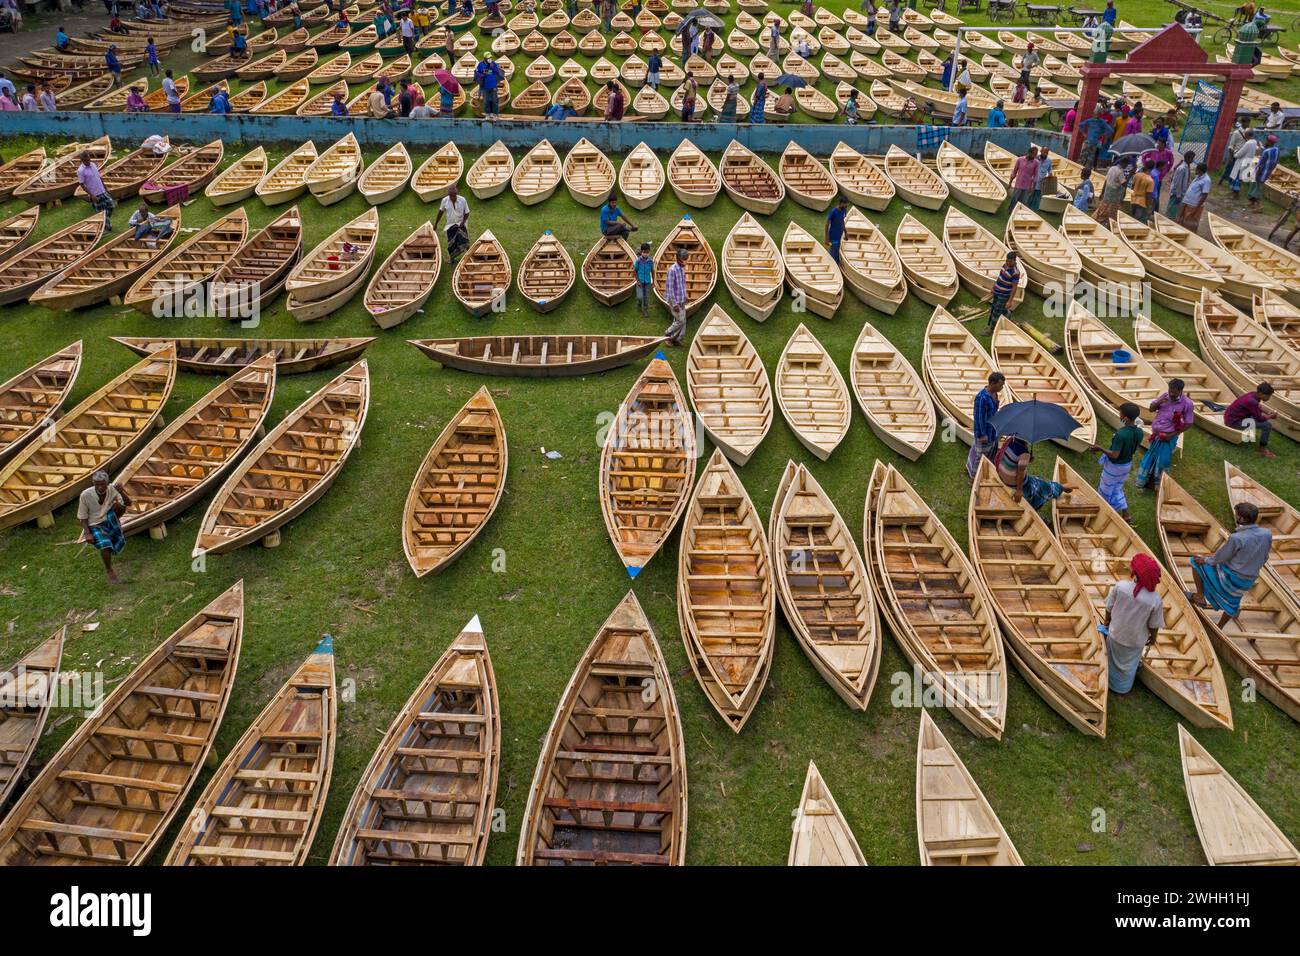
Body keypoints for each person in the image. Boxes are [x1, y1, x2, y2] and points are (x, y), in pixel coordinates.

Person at [1188, 502, 1274, 628]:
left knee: (1195, 562)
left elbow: (1220, 557)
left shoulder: (1237, 538)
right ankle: (1220, 627)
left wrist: (1205, 560)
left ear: (1242, 519)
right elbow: (1265, 556)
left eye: (1237, 515)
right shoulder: (1267, 533)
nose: (1236, 517)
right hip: (1248, 580)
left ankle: (1200, 596)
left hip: (1232, 576)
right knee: (1233, 603)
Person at [1101, 554, 1165, 695]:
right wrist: (1153, 638)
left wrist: (1107, 621)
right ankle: (1122, 689)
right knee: (1128, 666)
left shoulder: (1121, 586)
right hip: (1135, 641)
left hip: (1116, 633)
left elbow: (1109, 608)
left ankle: (1108, 682)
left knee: (1112, 658)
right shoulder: (1155, 599)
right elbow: (1154, 625)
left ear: (1134, 573)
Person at [1090, 402, 1144, 522]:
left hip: (1115, 467)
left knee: (1106, 489)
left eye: (1120, 414)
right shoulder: (1139, 432)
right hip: (1126, 464)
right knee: (1116, 488)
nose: (1119, 416)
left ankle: (1103, 513)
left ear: (1125, 418)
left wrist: (1099, 448)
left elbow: (1114, 455)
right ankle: (1126, 514)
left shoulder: (1121, 434)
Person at [1135, 379, 1193, 490]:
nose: (1171, 393)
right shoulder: (1165, 396)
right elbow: (1151, 409)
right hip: (1156, 435)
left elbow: (1189, 423)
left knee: (1162, 461)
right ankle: (1145, 481)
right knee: (1151, 458)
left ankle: (1157, 484)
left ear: (1180, 390)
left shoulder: (1187, 404)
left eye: (1174, 392)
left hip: (1168, 438)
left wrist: (1171, 435)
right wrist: (1159, 402)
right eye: (1170, 390)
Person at [78, 471, 131, 584]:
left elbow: (128, 503)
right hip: (94, 523)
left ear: (107, 483)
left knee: (119, 505)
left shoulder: (112, 489)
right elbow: (82, 516)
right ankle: (109, 570)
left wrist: (121, 492)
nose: (100, 487)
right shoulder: (85, 495)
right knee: (105, 545)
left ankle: (114, 525)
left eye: (103, 484)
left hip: (108, 517)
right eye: (97, 484)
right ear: (93, 483)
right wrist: (87, 533)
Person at [994, 433, 1071, 509]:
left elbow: (1013, 460)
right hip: (1015, 484)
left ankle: (1055, 486)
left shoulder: (1009, 441)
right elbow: (1020, 473)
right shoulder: (1024, 453)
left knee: (1037, 480)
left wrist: (1027, 459)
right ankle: (1060, 487)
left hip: (1003, 478)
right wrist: (1019, 491)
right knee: (1045, 487)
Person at [966, 372, 1004, 480]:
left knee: (984, 452)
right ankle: (973, 478)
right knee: (980, 455)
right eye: (1000, 385)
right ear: (992, 383)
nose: (1002, 388)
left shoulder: (994, 394)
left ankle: (973, 470)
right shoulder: (982, 397)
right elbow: (978, 418)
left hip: (992, 431)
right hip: (984, 432)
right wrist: (982, 435)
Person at [1224, 382, 1278, 458]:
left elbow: (1257, 407)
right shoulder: (1252, 401)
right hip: (1233, 422)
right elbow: (1259, 418)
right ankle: (1262, 449)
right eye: (1268, 396)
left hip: (1231, 417)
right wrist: (1270, 416)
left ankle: (1248, 438)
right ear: (1262, 394)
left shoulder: (1253, 394)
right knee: (1267, 425)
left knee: (1254, 418)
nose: (1269, 398)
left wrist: (1267, 412)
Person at [77, 151, 115, 231]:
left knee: (111, 205)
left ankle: (104, 223)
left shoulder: (93, 165)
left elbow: (99, 176)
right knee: (100, 212)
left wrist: (105, 187)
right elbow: (82, 184)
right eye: (86, 160)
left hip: (102, 190)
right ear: (82, 161)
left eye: (89, 159)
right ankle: (107, 228)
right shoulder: (81, 171)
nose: (88, 162)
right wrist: (92, 195)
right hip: (94, 194)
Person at [984, 252, 1020, 334]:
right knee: (994, 308)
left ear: (1014, 260)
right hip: (997, 292)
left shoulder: (1015, 272)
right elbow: (1000, 277)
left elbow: (1014, 288)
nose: (1008, 263)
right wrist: (994, 287)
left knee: (996, 312)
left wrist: (1010, 301)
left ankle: (991, 330)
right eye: (1007, 261)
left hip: (1003, 295)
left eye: (1010, 261)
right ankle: (1008, 315)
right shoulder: (1005, 265)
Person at [434, 183, 470, 262]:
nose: (453, 197)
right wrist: (436, 224)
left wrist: (463, 222)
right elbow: (440, 212)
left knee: (465, 240)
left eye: (454, 195)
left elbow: (467, 213)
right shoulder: (445, 201)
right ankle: (452, 259)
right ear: (448, 195)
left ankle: (469, 255)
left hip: (461, 223)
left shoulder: (462, 200)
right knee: (451, 243)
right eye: (451, 196)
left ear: (456, 194)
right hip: (450, 225)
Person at [663, 247, 689, 346]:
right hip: (675, 301)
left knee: (683, 320)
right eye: (684, 260)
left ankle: (678, 339)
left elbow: (682, 284)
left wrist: (685, 295)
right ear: (678, 259)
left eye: (687, 259)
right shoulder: (672, 270)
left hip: (681, 299)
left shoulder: (682, 268)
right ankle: (668, 334)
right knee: (680, 321)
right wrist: (674, 304)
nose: (686, 262)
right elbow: (669, 289)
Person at [1177, 162, 1211, 229]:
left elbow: (1205, 195)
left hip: (1194, 205)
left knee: (1189, 223)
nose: (1195, 170)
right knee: (1181, 220)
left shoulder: (1206, 180)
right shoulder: (1198, 176)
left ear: (1200, 171)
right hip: (1187, 201)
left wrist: (1197, 208)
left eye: (1197, 169)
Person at [1249, 134, 1279, 207]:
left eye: (1266, 140)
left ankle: (1258, 204)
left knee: (1258, 188)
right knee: (1258, 187)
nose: (1265, 141)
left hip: (1261, 173)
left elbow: (1261, 164)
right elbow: (1276, 162)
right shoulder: (1276, 150)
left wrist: (1257, 174)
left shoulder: (1266, 151)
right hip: (1268, 172)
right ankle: (1253, 203)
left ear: (1269, 142)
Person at [1094, 160, 1128, 225]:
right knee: (1111, 216)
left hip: (1107, 194)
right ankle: (1109, 227)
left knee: (1102, 210)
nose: (1126, 166)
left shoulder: (1111, 168)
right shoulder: (1120, 172)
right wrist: (1130, 175)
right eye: (1126, 164)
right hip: (1114, 198)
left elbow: (1106, 181)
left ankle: (1100, 222)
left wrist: (1102, 192)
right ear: (1123, 163)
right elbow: (1124, 184)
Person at [1164, 149, 1194, 219]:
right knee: (1172, 210)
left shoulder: (1186, 167)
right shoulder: (1182, 168)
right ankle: (1168, 220)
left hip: (1180, 192)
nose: (1192, 160)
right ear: (1188, 158)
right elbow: (1178, 183)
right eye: (1192, 158)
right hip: (1177, 193)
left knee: (1175, 210)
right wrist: (1178, 195)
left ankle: (1171, 219)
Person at [1229, 130, 1259, 199]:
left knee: (1237, 178)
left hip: (1242, 161)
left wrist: (1235, 154)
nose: (1244, 136)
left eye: (1245, 134)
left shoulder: (1248, 143)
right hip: (1248, 161)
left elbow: (1241, 153)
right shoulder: (1254, 142)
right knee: (1241, 178)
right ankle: (1235, 193)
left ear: (1247, 135)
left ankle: (1235, 194)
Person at [824, 196, 848, 263]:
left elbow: (842, 221)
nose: (846, 205)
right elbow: (827, 224)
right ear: (840, 203)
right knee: (834, 252)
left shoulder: (844, 210)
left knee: (836, 251)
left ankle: (835, 262)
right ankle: (832, 265)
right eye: (844, 204)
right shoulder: (833, 212)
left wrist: (846, 233)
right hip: (833, 236)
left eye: (846, 204)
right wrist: (826, 238)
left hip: (839, 235)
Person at [634, 241, 653, 317]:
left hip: (647, 282)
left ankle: (645, 310)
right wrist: (637, 280)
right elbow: (635, 271)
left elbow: (652, 271)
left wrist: (653, 281)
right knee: (639, 297)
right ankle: (638, 303)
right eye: (644, 252)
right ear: (641, 252)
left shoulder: (650, 261)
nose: (646, 254)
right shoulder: (638, 261)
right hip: (640, 282)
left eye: (647, 252)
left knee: (646, 298)